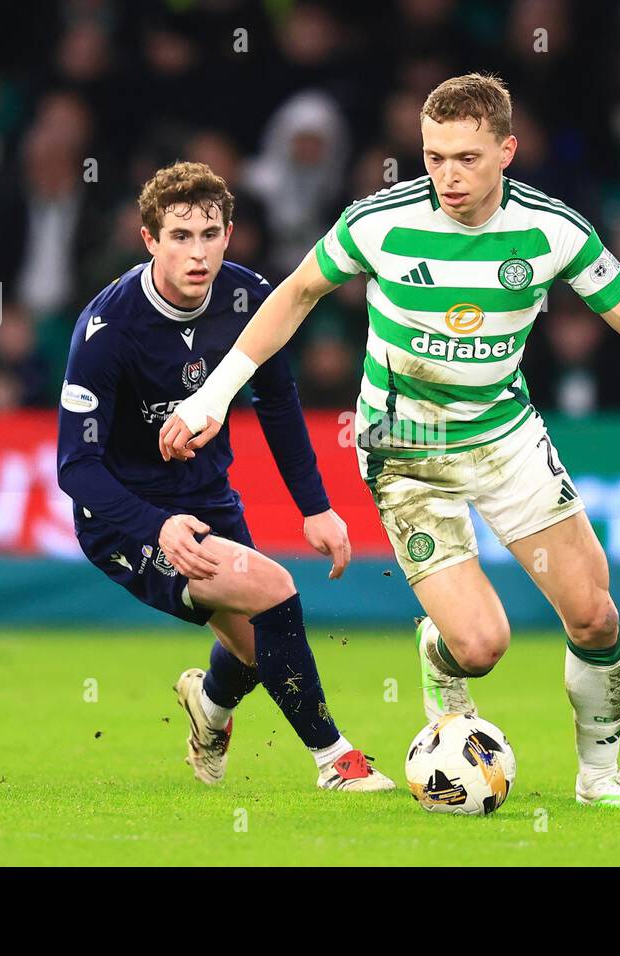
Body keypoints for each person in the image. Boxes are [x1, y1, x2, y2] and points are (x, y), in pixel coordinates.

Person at [160, 75, 620, 810]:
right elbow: (294, 296)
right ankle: (440, 647)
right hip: (404, 450)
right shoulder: (379, 221)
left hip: (505, 438)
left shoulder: (554, 229)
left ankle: (601, 777)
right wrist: (214, 395)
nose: (448, 174)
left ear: (507, 151)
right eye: (434, 155)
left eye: (468, 158)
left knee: (595, 616)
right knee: (481, 647)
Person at [56, 161, 393, 793]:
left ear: (229, 235)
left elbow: (278, 404)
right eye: (179, 236)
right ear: (149, 239)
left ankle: (208, 709)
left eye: (209, 234)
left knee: (253, 652)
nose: (197, 252)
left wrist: (315, 507)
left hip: (210, 501)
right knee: (273, 589)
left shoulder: (247, 298)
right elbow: (75, 467)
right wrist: (156, 526)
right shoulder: (107, 330)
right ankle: (336, 761)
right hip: (127, 521)